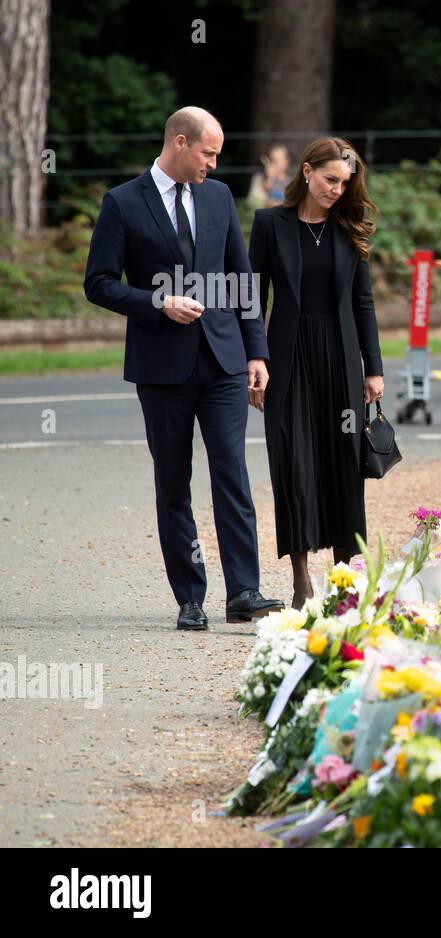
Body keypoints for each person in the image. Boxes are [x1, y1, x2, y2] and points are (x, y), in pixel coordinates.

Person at [83, 106, 284, 630]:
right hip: (161, 367)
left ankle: (244, 590)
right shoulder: (123, 203)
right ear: (179, 142)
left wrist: (256, 352)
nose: (214, 164)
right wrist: (158, 302)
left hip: (224, 363)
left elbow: (242, 277)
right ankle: (189, 597)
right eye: (208, 152)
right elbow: (99, 283)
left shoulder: (217, 197)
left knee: (232, 476)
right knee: (173, 483)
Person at [249, 137, 384, 609]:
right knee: (294, 464)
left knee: (343, 466)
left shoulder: (350, 226)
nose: (336, 190)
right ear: (306, 172)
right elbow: (253, 296)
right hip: (287, 356)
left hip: (342, 358)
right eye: (330, 180)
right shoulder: (269, 224)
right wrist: (256, 357)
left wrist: (374, 369)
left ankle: (346, 580)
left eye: (344, 183)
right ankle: (302, 580)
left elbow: (363, 302)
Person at [247, 144, 290, 209]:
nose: (277, 164)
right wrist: (269, 177)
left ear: (286, 162)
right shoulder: (260, 179)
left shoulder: (291, 182)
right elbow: (254, 203)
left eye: (280, 160)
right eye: (274, 160)